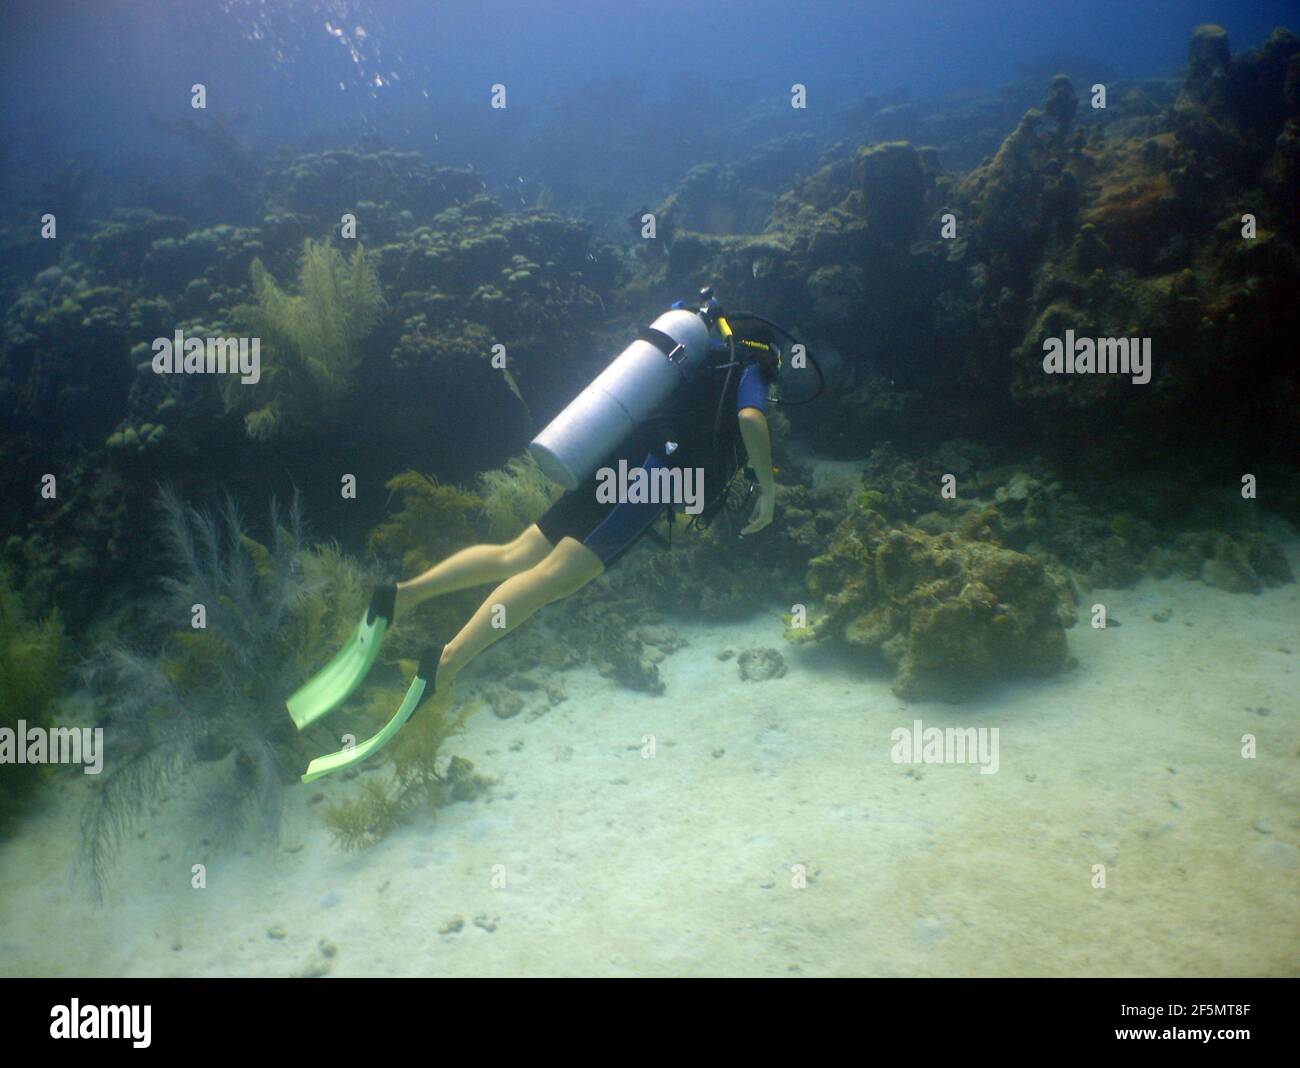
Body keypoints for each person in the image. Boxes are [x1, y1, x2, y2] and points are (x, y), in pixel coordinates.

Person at [287, 302, 784, 783]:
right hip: (652, 479)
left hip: (618, 454)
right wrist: (768, 487)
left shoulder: (696, 364)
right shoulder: (752, 366)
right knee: (552, 578)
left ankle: (402, 594)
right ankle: (447, 662)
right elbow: (749, 419)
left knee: (518, 552)